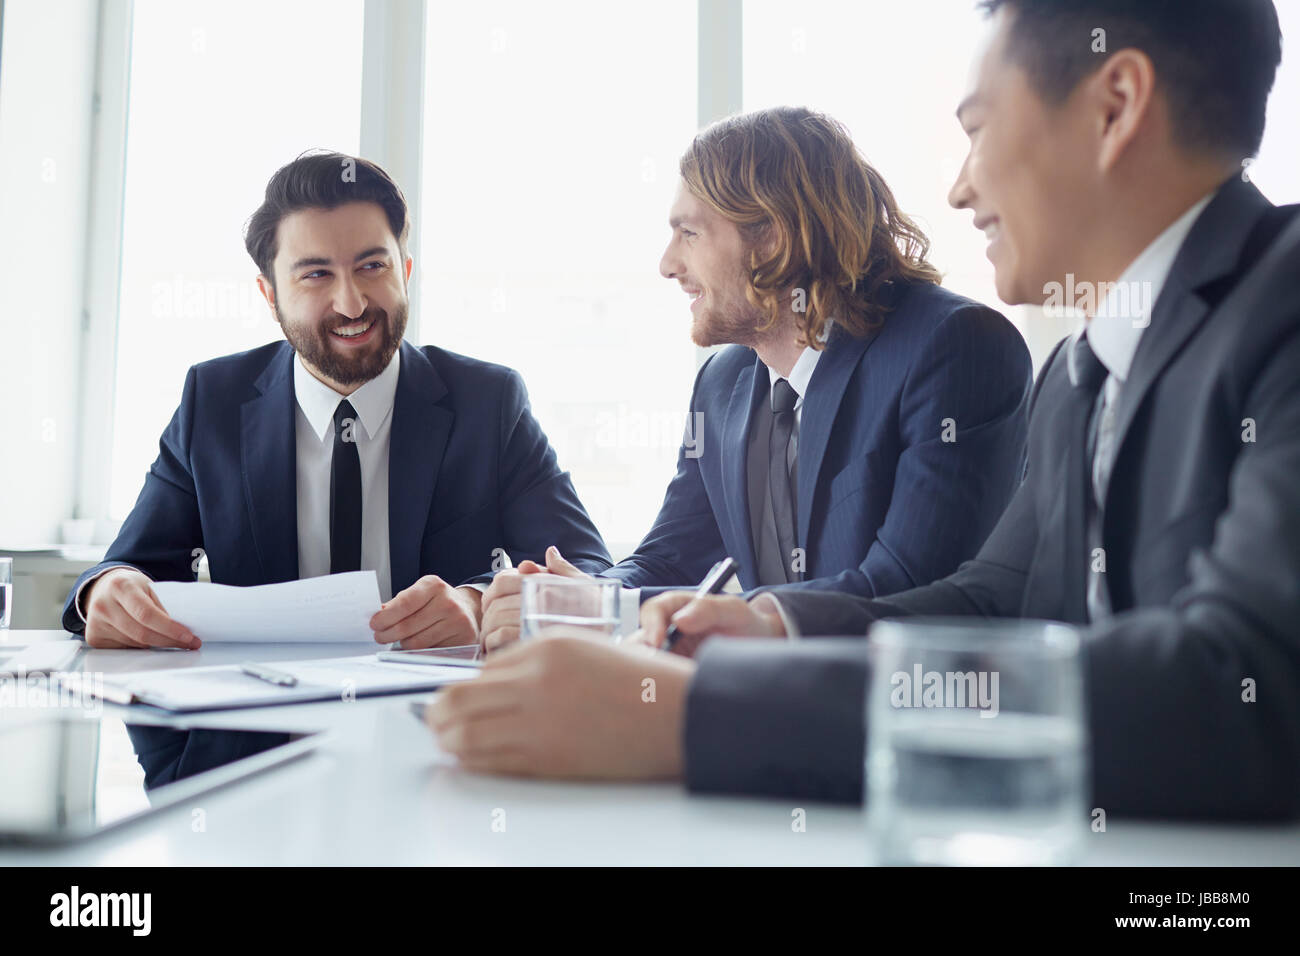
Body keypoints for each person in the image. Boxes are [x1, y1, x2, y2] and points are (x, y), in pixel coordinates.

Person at [428, 0, 1300, 822]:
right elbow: (999, 605)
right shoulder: (1080, 371)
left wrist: (703, 714)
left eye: (978, 131)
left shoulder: (1281, 304)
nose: (958, 191)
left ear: (1115, 106)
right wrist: (774, 621)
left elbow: (1242, 682)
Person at [62, 152, 611, 783]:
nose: (351, 302)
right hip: (251, 765)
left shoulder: (489, 403)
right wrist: (104, 595)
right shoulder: (213, 401)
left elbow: (590, 576)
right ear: (270, 296)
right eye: (316, 275)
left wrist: (483, 602)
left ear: (404, 271)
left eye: (371, 266)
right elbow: (126, 567)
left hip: (442, 763)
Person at [478, 107, 1032, 650]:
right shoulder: (722, 382)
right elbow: (669, 558)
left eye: (688, 233)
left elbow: (905, 588)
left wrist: (623, 615)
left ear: (773, 236)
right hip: (778, 712)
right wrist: (583, 601)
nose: (667, 264)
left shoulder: (952, 347)